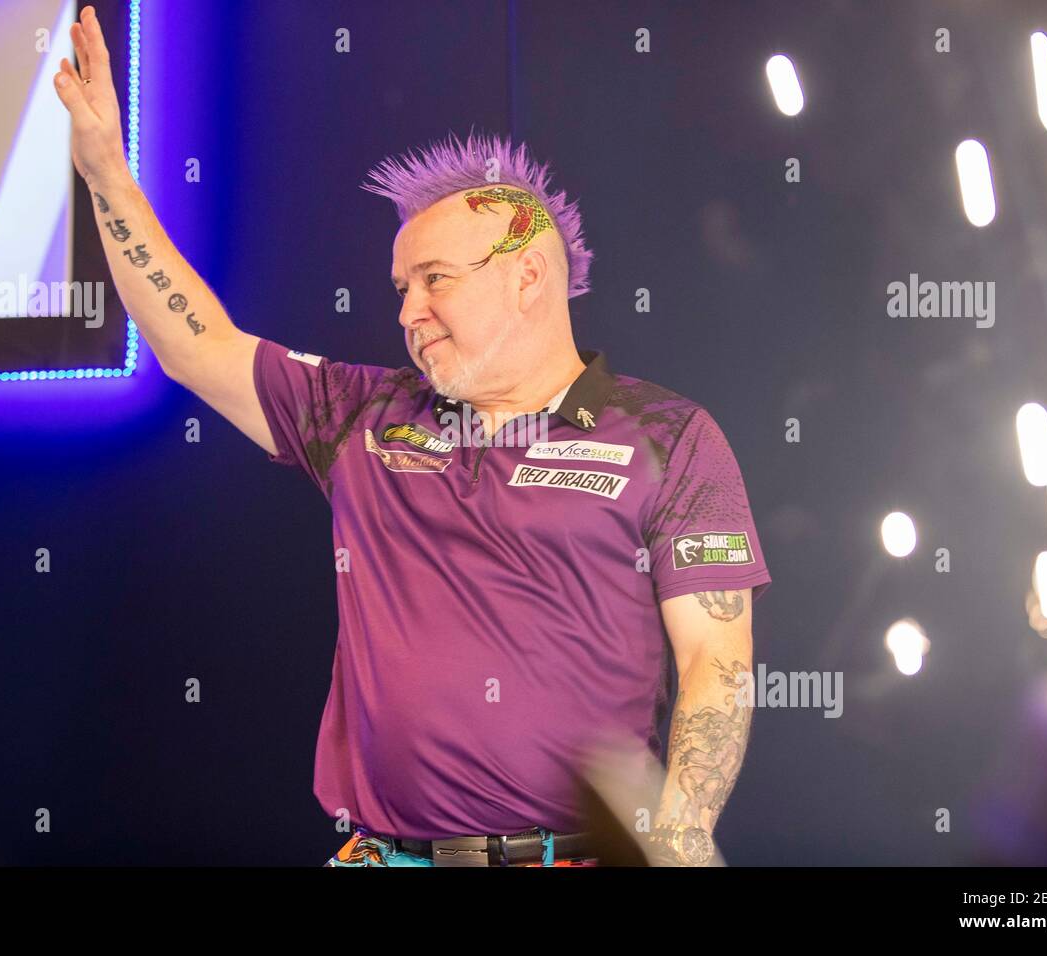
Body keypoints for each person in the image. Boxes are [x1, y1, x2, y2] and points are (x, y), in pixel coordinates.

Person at [53, 5, 772, 867]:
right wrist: (106, 173)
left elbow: (716, 663)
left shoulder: (668, 436)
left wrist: (681, 838)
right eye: (399, 288)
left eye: (435, 279)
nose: (407, 312)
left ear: (528, 277)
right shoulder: (367, 415)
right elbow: (194, 343)